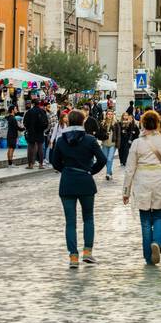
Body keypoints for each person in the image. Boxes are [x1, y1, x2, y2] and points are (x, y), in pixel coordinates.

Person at [49, 110, 106, 268]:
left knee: (70, 222)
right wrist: (90, 171)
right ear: (83, 122)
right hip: (86, 182)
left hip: (67, 182)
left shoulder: (61, 140)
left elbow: (54, 162)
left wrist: (66, 171)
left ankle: (73, 257)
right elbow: (102, 159)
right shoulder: (89, 140)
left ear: (67, 122)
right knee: (88, 218)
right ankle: (87, 252)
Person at [123, 110, 161, 265]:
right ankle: (157, 243)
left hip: (142, 182)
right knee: (159, 216)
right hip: (160, 180)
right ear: (158, 124)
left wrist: (126, 191)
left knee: (145, 221)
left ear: (143, 124)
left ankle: (148, 256)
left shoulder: (137, 143)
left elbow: (130, 169)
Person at [23, 97, 49, 169]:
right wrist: (42, 129)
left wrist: (28, 128)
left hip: (31, 132)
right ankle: (41, 164)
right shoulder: (42, 111)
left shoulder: (29, 112)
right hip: (40, 132)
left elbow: (25, 122)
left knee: (30, 147)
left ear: (33, 104)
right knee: (40, 147)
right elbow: (46, 123)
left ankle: (30, 164)